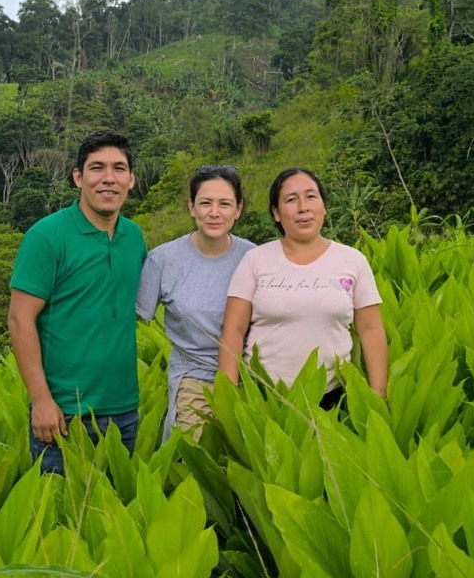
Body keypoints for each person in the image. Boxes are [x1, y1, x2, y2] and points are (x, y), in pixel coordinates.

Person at [7, 130, 147, 473]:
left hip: (124, 410)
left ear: (131, 179)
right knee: (60, 520)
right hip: (64, 414)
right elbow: (19, 320)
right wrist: (41, 401)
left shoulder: (134, 236)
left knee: (115, 519)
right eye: (97, 168)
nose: (109, 179)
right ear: (78, 177)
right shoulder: (46, 236)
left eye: (119, 168)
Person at [218, 166, 388, 408]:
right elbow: (233, 331)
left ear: (323, 206)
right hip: (264, 396)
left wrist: (378, 395)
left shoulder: (352, 261)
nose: (303, 207)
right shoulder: (255, 260)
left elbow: (371, 329)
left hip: (333, 396)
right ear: (276, 213)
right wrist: (230, 398)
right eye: (291, 200)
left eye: (311, 196)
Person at [137, 164, 255, 439]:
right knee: (196, 462)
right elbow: (135, 317)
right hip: (193, 377)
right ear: (191, 207)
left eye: (225, 204)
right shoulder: (162, 260)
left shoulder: (253, 257)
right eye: (205, 203)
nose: (214, 212)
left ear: (238, 209)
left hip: (250, 377)